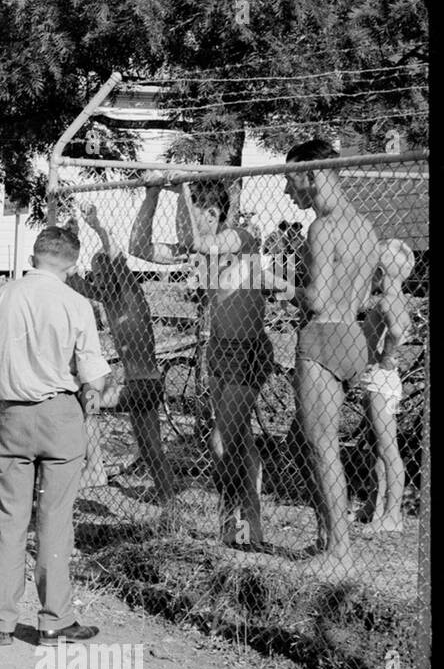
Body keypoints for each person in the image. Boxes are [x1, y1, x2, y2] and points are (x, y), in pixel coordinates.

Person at [0, 226, 109, 646]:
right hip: (59, 414)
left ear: (35, 255)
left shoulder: (1, 297)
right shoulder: (75, 302)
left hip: (12, 415)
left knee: (11, 520)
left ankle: (1, 620)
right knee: (54, 521)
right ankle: (54, 620)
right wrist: (94, 391)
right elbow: (93, 372)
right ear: (71, 261)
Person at [130, 173, 270, 548]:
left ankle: (244, 526)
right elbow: (139, 247)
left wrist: (184, 188)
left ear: (210, 212)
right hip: (220, 351)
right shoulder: (199, 248)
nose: (181, 222)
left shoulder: (240, 237)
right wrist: (153, 194)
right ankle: (239, 528)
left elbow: (197, 240)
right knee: (240, 442)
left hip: (248, 351)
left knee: (224, 442)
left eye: (188, 210)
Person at [283, 139, 381, 569]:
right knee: (311, 443)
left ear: (311, 172)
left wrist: (282, 286)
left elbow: (319, 299)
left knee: (322, 446)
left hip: (322, 336)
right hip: (352, 337)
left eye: (291, 181)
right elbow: (358, 297)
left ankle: (340, 550)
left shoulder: (322, 228)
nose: (289, 192)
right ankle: (327, 541)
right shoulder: (365, 226)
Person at [74, 204, 179, 503]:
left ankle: (95, 467)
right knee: (150, 449)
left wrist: (97, 225)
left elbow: (115, 250)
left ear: (113, 272)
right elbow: (73, 280)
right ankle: (168, 500)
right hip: (139, 384)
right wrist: (72, 236)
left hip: (145, 383)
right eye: (94, 275)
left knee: (88, 400)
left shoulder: (130, 293)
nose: (96, 280)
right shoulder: (107, 298)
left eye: (101, 273)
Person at [355, 238, 412, 535]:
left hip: (381, 381)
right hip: (373, 381)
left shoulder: (390, 300)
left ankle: (393, 515)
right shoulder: (389, 298)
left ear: (378, 272)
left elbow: (399, 329)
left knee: (388, 449)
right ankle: (375, 506)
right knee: (377, 447)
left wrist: (387, 354)